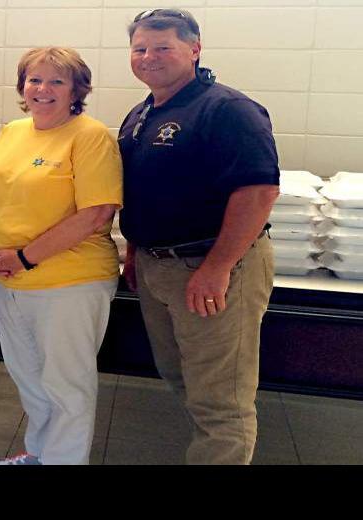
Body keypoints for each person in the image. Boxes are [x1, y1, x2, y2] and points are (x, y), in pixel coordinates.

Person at [118, 9, 279, 465]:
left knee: (220, 400)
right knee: (183, 379)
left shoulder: (227, 109)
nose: (149, 57)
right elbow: (139, 188)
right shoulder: (143, 112)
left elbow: (258, 189)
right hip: (157, 266)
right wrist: (135, 250)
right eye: (140, 49)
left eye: (163, 47)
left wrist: (217, 268)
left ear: (195, 48)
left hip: (212, 267)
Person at [0, 47, 122, 465]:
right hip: (8, 278)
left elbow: (96, 213)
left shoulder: (89, 135)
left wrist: (24, 257)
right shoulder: (13, 131)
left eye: (57, 81)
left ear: (77, 90)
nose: (43, 89)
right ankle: (40, 455)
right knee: (30, 380)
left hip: (69, 282)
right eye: (34, 80)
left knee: (66, 385)